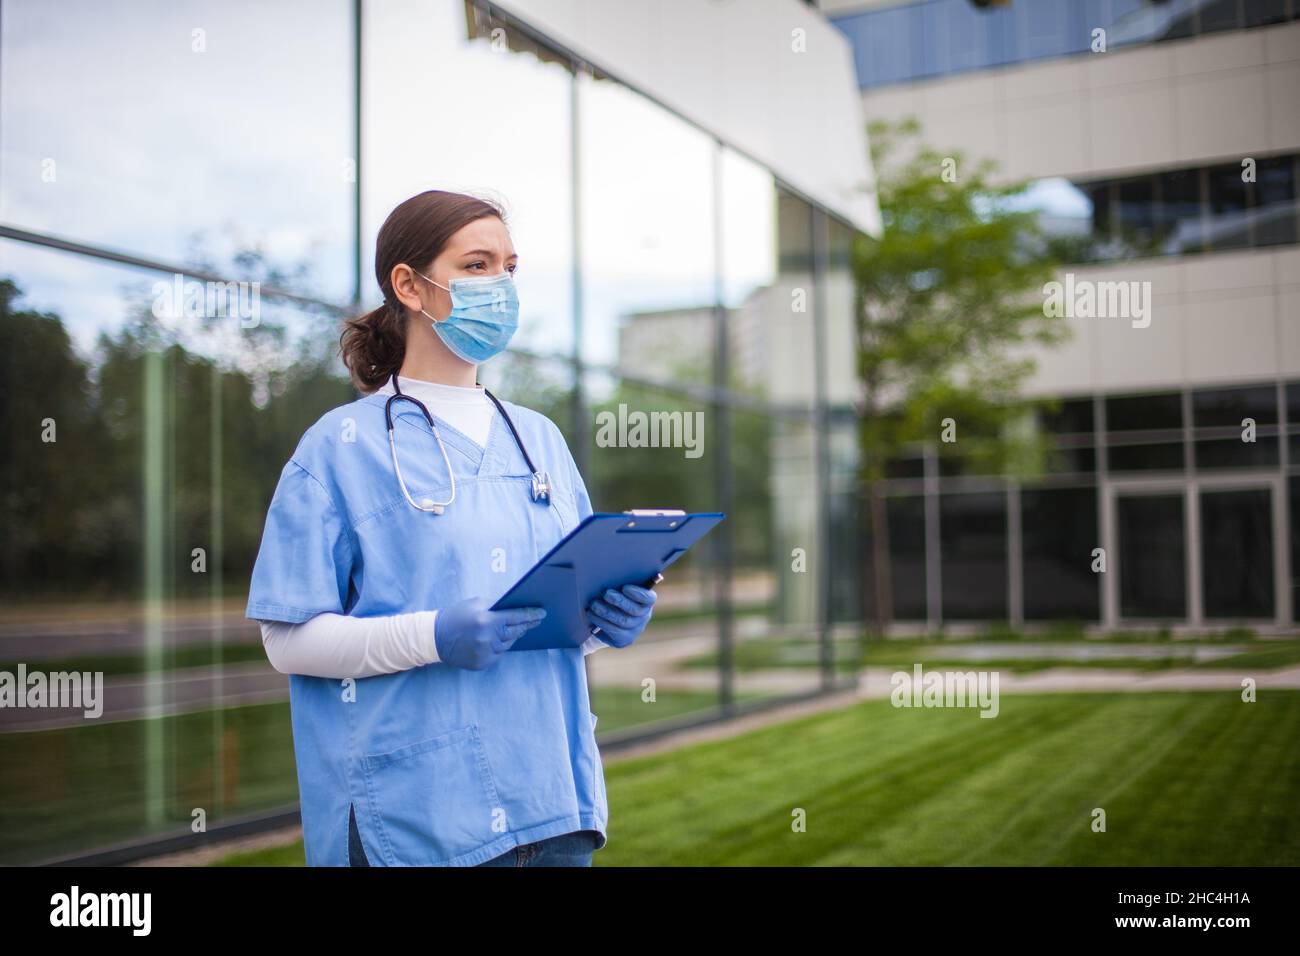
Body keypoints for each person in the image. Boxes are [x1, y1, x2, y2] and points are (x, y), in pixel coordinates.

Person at [245, 189, 656, 866]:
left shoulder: (540, 440)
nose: (500, 285)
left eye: (509, 267)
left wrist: (604, 623)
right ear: (408, 284)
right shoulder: (340, 447)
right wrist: (430, 636)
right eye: (476, 265)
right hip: (417, 815)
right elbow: (287, 640)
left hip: (552, 800)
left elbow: (547, 623)